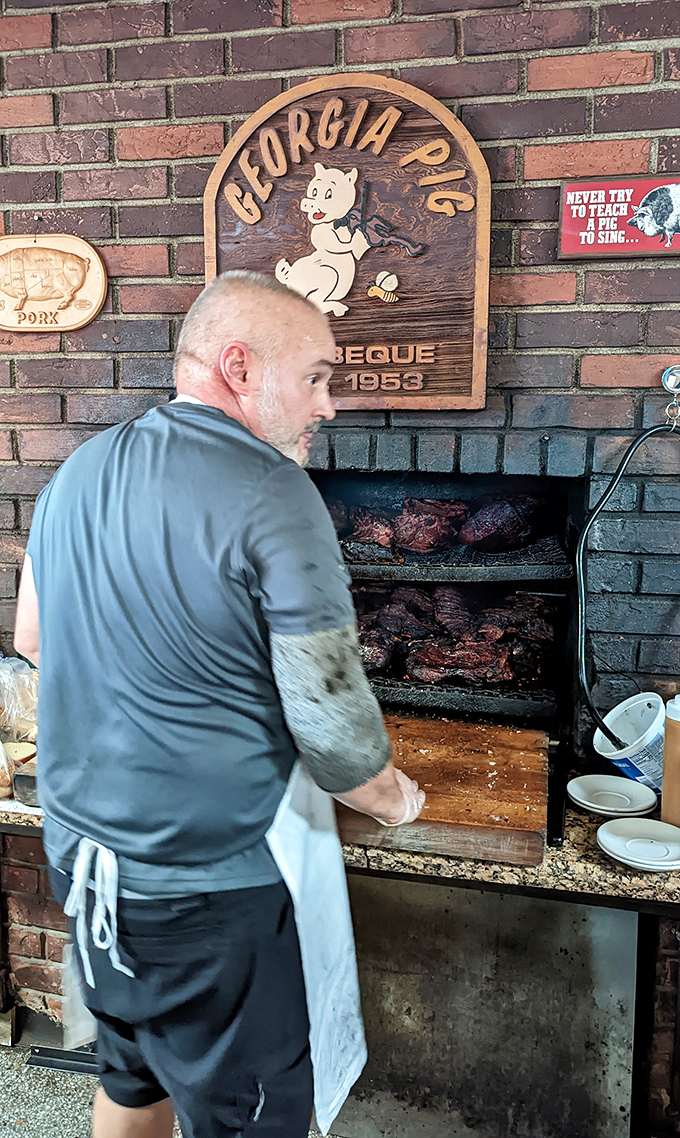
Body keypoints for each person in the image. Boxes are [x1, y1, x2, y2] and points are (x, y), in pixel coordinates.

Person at [14, 270, 425, 1138]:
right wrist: (394, 798)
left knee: (132, 1078)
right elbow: (332, 727)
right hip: (206, 901)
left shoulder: (76, 472)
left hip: (85, 870)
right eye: (316, 375)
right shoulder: (277, 492)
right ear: (240, 366)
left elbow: (34, 641)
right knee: (248, 1119)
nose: (331, 403)